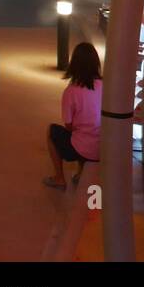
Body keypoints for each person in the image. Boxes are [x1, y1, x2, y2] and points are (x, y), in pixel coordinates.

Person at [43, 41, 102, 189]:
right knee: (87, 133)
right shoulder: (106, 86)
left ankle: (59, 178)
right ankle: (82, 173)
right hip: (104, 147)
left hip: (81, 148)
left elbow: (68, 125)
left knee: (53, 131)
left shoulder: (71, 92)